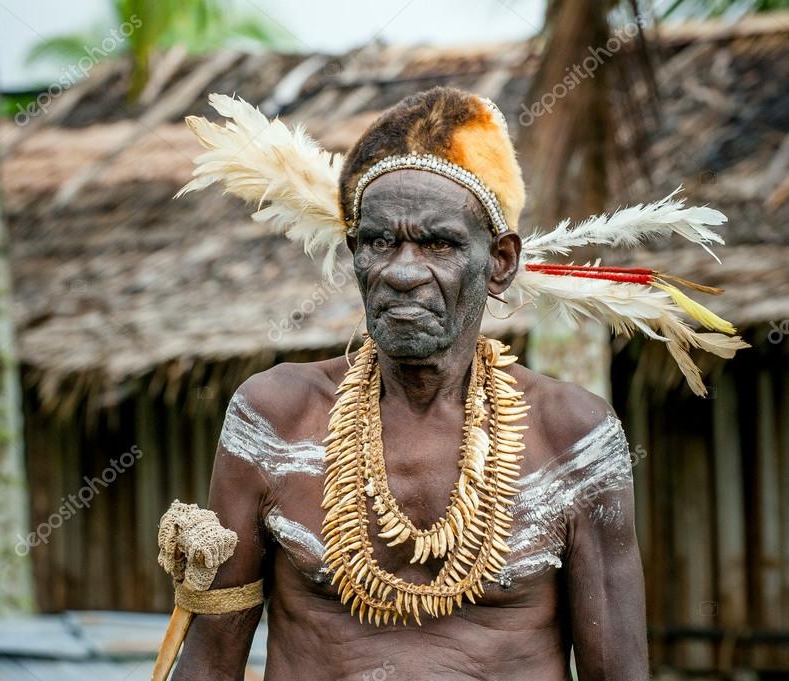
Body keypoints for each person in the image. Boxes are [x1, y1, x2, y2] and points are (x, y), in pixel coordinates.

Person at [163, 86, 746, 681]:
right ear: (354, 254)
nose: (402, 271)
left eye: (438, 243)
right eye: (379, 242)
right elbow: (211, 659)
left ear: (499, 262)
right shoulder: (274, 420)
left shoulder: (573, 438)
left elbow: (618, 672)